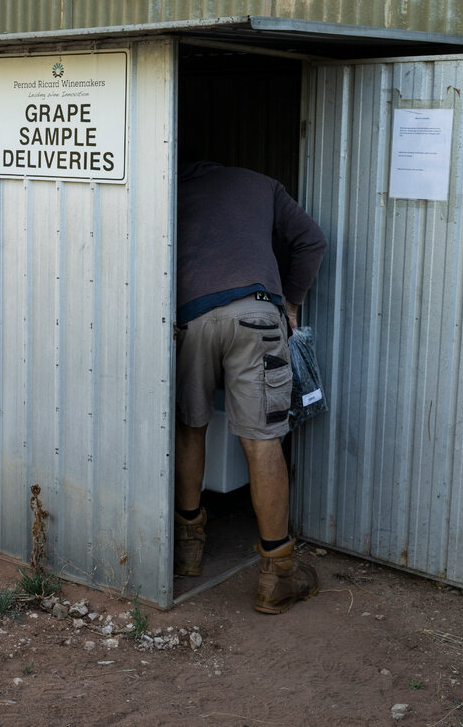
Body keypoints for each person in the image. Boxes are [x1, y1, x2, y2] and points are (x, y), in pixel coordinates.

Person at [174, 157, 327, 614]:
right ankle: (278, 576)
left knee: (189, 428)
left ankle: (188, 550)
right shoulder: (263, 184)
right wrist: (292, 302)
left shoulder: (165, 186)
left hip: (191, 318)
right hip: (256, 314)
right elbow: (312, 241)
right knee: (262, 442)